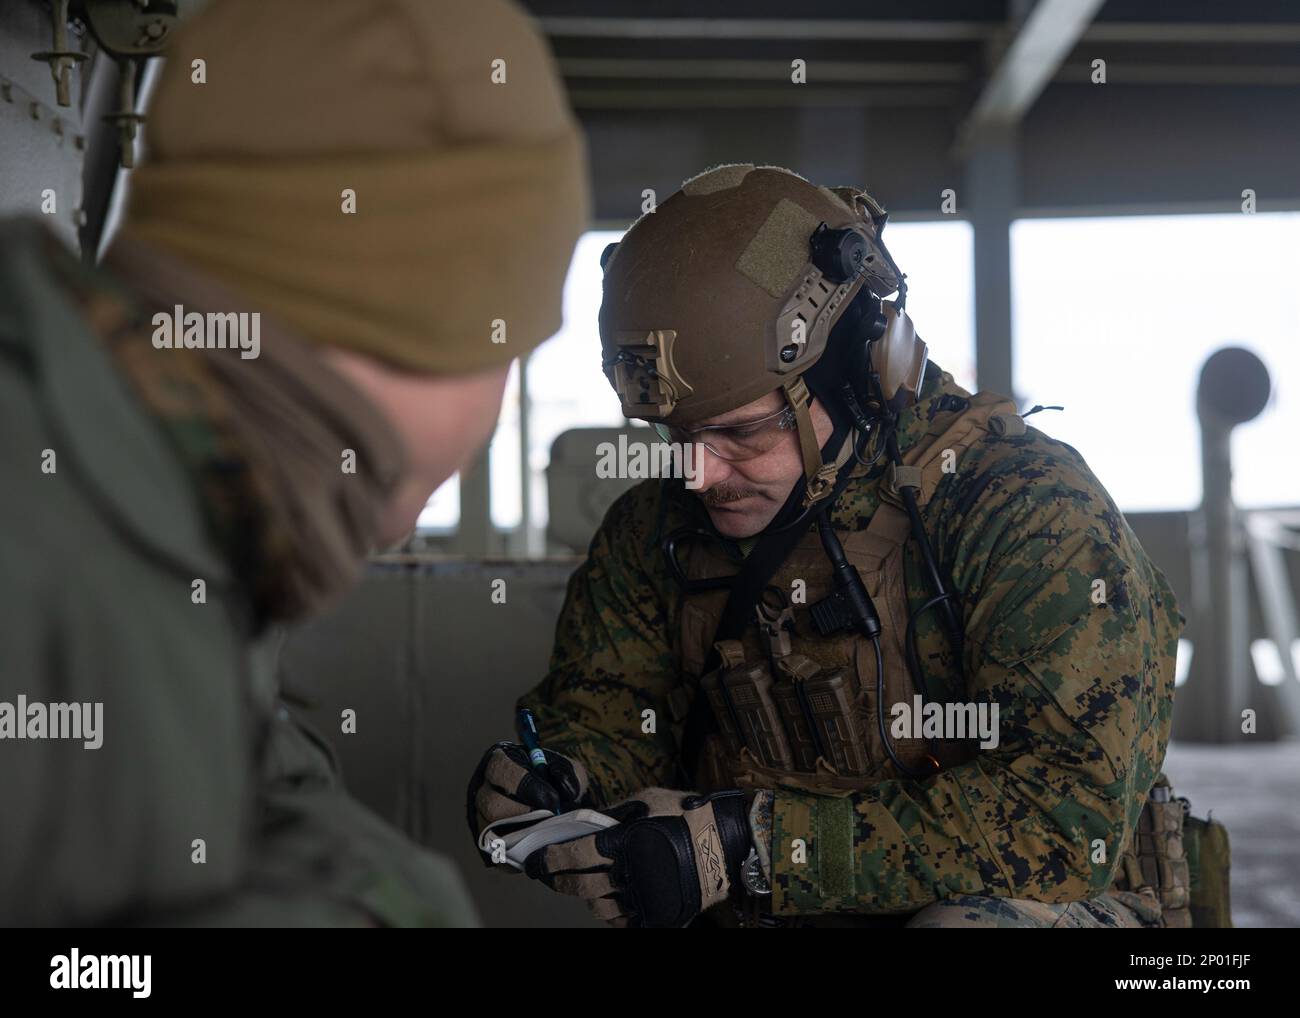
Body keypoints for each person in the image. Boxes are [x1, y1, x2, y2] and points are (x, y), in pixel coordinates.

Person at [468, 164, 1183, 928]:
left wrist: (755, 844)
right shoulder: (653, 531)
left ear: (856, 370)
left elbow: (1067, 822)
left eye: (739, 432)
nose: (699, 475)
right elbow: (612, 713)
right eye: (672, 437)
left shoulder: (1024, 510)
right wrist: (564, 775)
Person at [0, 0, 587, 926]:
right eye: (510, 341)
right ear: (414, 324)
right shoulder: (57, 550)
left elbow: (247, 783)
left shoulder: (168, 493)